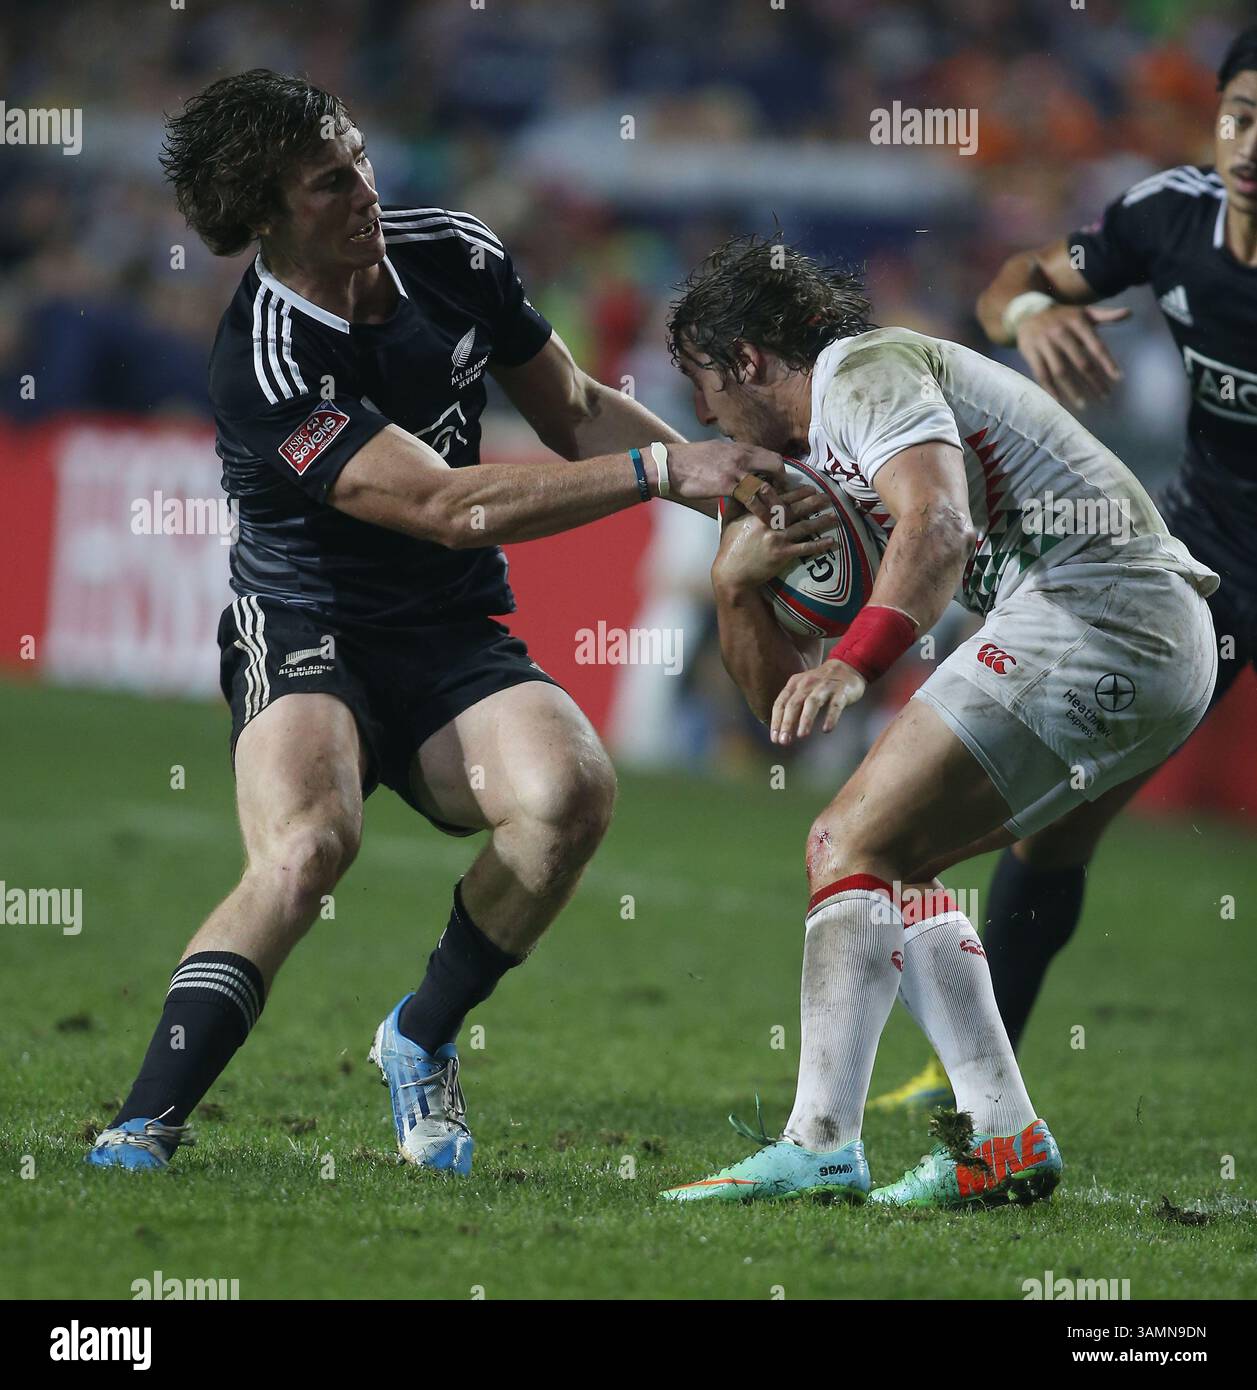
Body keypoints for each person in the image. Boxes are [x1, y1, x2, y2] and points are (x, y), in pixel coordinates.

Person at [85, 71, 796, 1176]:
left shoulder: (454, 253)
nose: (366, 187)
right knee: (306, 851)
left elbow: (570, 404)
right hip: (309, 620)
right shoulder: (265, 357)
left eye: (361, 156)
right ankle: (144, 1120)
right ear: (267, 216)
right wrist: (662, 469)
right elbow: (448, 506)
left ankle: (417, 1037)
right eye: (331, 181)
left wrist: (730, 490)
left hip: (448, 628)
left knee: (570, 796)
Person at [658, 235, 1216, 1207]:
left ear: (746, 360)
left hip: (1098, 607)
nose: (703, 413)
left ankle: (822, 1139)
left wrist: (857, 661)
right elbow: (774, 709)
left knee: (846, 837)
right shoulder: (839, 450)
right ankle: (1000, 1140)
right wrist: (733, 591)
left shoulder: (862, 371)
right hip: (1143, 636)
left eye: (704, 382)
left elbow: (941, 528)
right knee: (891, 860)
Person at [879, 26, 1257, 1112]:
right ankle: (974, 1076)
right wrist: (1036, 316)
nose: (1252, 143)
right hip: (1216, 566)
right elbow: (1012, 283)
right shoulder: (1168, 216)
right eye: (1240, 113)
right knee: (1060, 821)